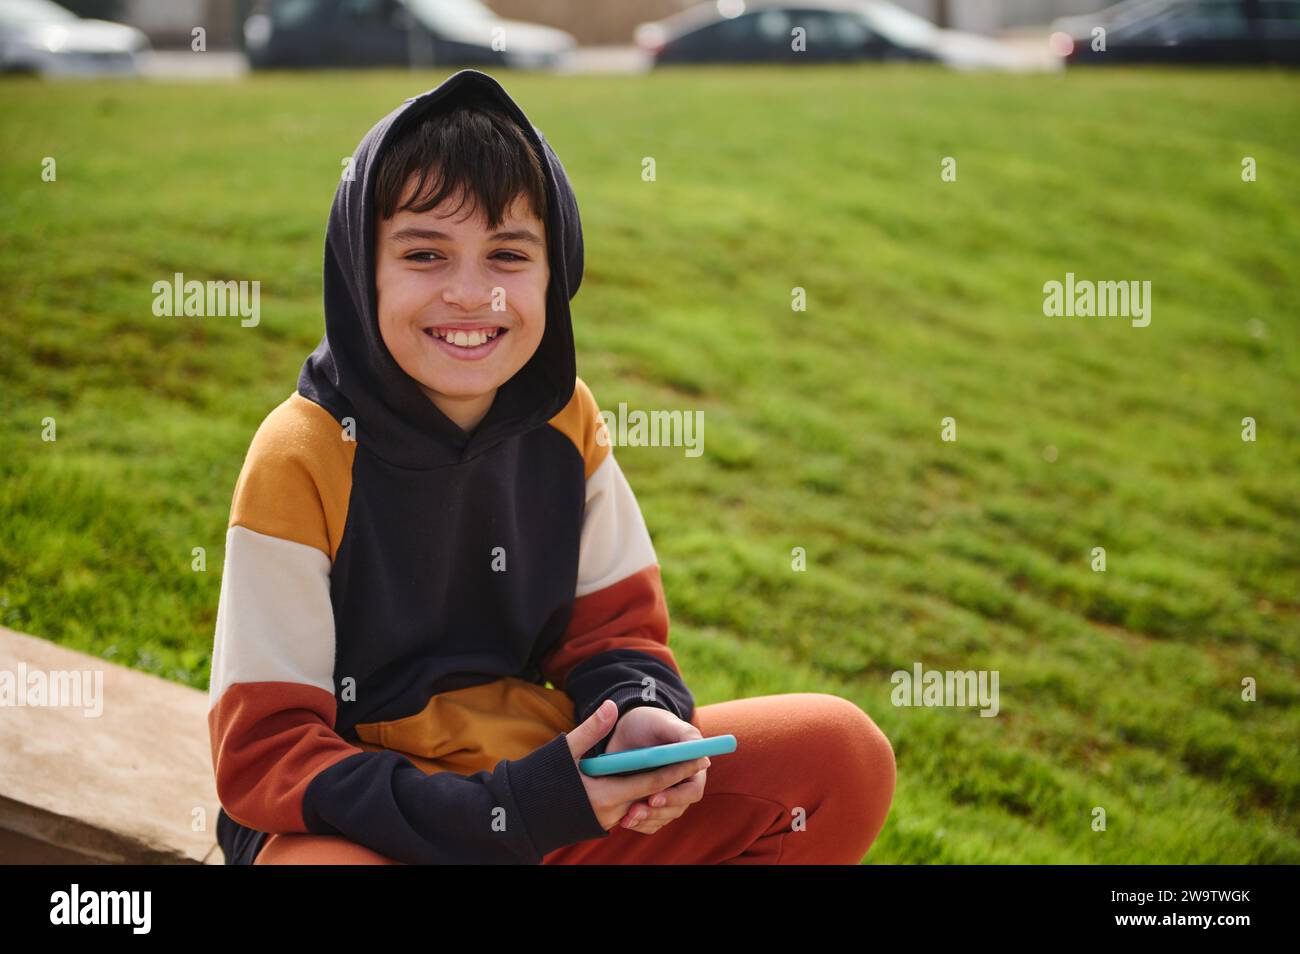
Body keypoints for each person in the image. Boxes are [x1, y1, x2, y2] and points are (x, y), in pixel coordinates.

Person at [207, 69, 895, 866]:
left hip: (550, 787)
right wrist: (505, 810)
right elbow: (265, 753)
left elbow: (615, 635)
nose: (471, 295)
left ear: (553, 273)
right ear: (362, 275)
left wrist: (636, 711)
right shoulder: (299, 454)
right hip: (369, 825)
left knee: (839, 755)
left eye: (508, 254)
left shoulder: (567, 420)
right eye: (425, 253)